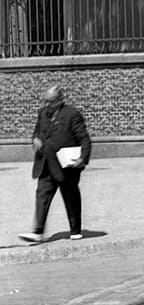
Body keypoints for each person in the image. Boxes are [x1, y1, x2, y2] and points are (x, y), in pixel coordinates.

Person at [19, 86, 92, 243]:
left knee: (70, 197)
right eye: (44, 101)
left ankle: (75, 230)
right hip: (46, 162)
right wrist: (35, 140)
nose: (46, 105)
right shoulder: (42, 114)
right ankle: (38, 231)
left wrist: (82, 158)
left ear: (60, 101)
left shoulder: (72, 114)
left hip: (65, 165)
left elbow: (84, 138)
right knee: (42, 195)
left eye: (50, 102)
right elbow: (37, 132)